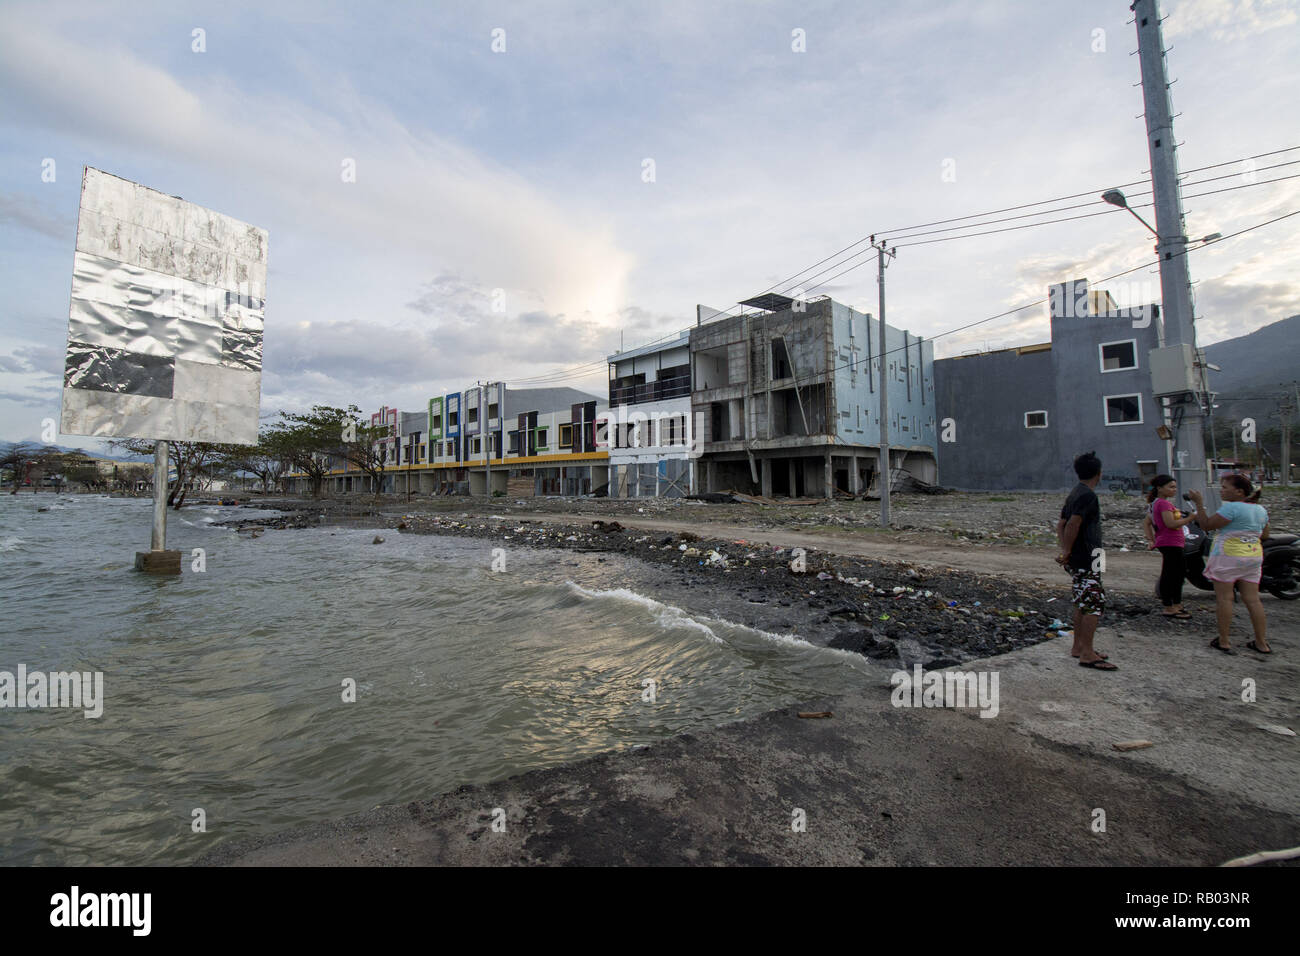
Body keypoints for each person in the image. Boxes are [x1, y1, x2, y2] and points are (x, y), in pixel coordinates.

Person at [1187, 475, 1271, 654]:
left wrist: (1199, 503)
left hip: (1228, 556)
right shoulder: (1260, 510)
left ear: (1239, 491)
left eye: (1225, 487)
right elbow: (1264, 535)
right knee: (1253, 600)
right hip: (1253, 556)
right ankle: (1261, 643)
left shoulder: (1231, 508)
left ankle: (1224, 640)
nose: (1221, 490)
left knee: (1225, 599)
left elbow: (1206, 525)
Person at [1055, 451, 1116, 669]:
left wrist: (1065, 550)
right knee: (1094, 602)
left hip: (1089, 555)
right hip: (1088, 555)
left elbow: (1061, 524)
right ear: (1099, 474)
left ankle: (1078, 647)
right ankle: (1087, 653)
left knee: (1083, 600)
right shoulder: (1088, 496)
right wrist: (1068, 551)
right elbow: (1072, 524)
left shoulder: (1074, 494)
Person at [1142, 475, 1196, 618]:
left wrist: (1151, 540)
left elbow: (1146, 523)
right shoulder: (1163, 504)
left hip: (1168, 542)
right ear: (1160, 488)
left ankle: (1175, 604)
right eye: (1171, 487)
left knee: (1175, 573)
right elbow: (1171, 524)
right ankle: (1170, 606)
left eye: (1175, 487)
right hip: (1171, 543)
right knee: (1174, 574)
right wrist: (1190, 519)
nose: (1174, 490)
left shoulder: (1156, 504)